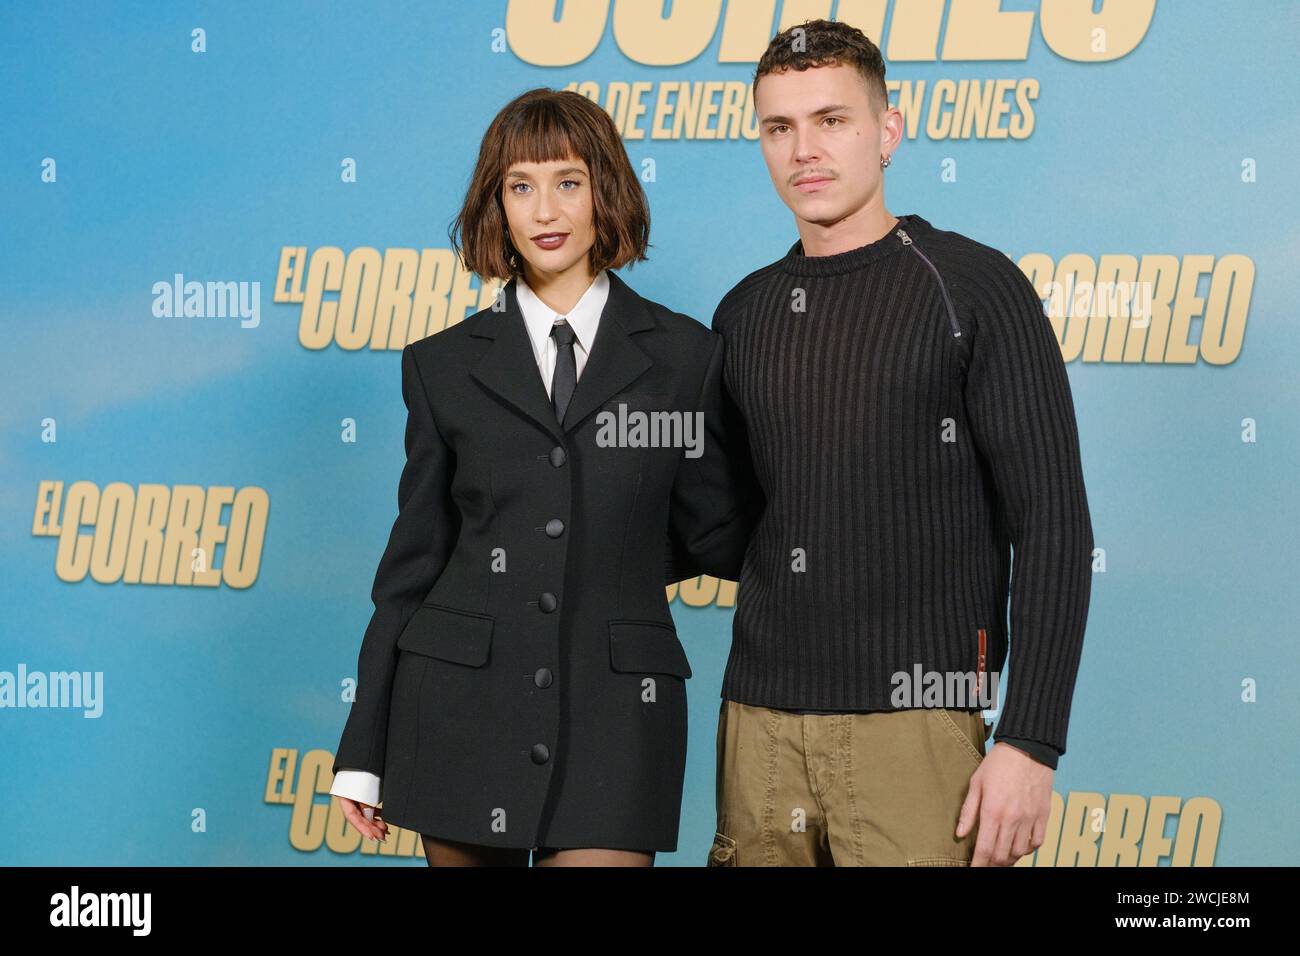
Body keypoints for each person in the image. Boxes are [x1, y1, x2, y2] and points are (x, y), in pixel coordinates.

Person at [327, 87, 754, 866]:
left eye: (568, 181)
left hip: (618, 713)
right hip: (460, 705)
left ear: (606, 192)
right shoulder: (442, 366)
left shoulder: (688, 357)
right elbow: (412, 565)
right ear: (497, 206)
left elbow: (714, 533)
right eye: (520, 186)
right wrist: (364, 746)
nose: (545, 209)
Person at [706, 19, 1094, 867]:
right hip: (759, 727)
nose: (804, 149)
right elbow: (726, 529)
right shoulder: (743, 313)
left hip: (919, 726)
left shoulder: (973, 288)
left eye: (832, 120)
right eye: (780, 127)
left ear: (888, 131)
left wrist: (1030, 740)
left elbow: (1056, 525)